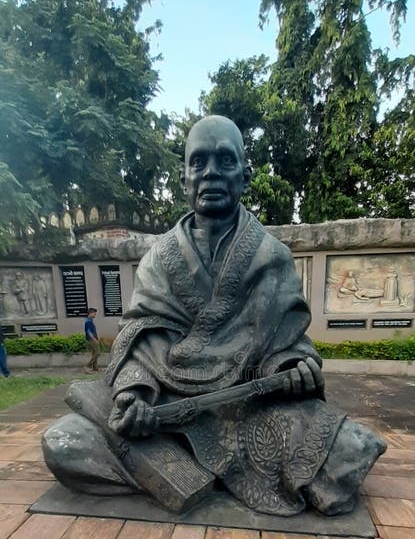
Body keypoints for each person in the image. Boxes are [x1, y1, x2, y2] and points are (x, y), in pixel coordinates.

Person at [43, 116, 386, 515]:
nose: (210, 173)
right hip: (164, 409)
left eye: (225, 160)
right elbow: (137, 336)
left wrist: (295, 366)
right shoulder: (158, 258)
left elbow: (288, 343)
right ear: (184, 176)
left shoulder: (272, 257)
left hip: (247, 408)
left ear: (245, 174)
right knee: (65, 443)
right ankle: (182, 470)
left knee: (352, 450)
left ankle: (190, 474)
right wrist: (133, 394)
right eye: (198, 161)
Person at [84, 307, 100, 373]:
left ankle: (95, 368)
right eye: (94, 313)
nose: (95, 315)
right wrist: (94, 339)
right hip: (91, 339)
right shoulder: (88, 321)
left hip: (93, 338)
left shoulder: (90, 320)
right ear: (90, 313)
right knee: (97, 353)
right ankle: (87, 366)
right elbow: (88, 332)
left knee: (94, 353)